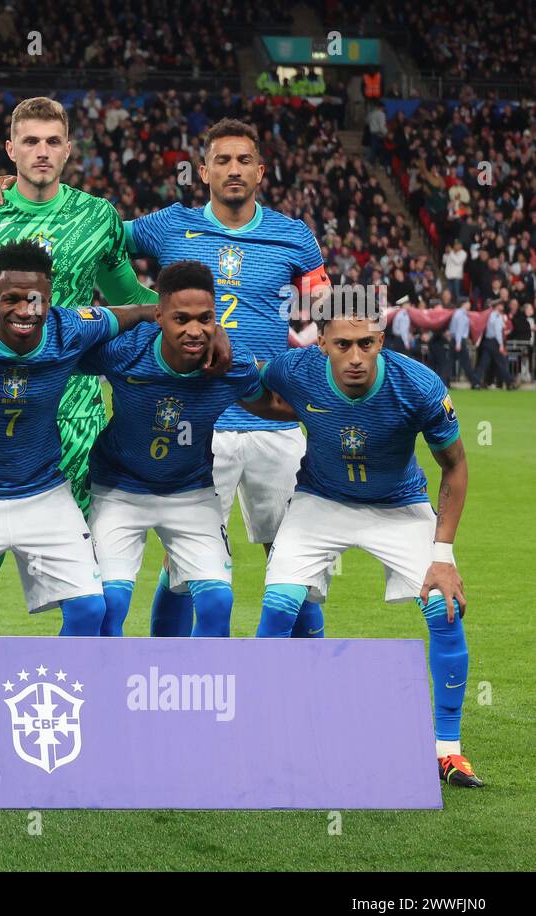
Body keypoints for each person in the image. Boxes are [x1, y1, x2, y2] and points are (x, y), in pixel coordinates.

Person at [0, 96, 157, 637]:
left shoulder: (98, 218)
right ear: (10, 149)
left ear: (69, 149)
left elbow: (129, 299)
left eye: (51, 142)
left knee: (87, 584)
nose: (41, 152)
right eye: (30, 141)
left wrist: (193, 319)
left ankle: (83, 696)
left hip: (76, 418)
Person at [120, 118, 332, 639]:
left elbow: (325, 314)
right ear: (204, 170)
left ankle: (305, 687)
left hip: (272, 419)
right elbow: (98, 236)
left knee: (292, 564)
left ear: (260, 171)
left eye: (243, 161)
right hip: (194, 421)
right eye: (222, 160)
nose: (233, 170)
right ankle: (167, 679)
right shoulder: (170, 225)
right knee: (183, 570)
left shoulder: (294, 236)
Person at [254, 311, 481, 788]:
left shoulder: (417, 385)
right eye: (342, 345)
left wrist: (442, 556)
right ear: (321, 344)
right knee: (278, 606)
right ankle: (266, 735)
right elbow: (249, 383)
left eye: (366, 344)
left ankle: (448, 750)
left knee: (444, 608)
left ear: (381, 340)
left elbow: (455, 466)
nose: (355, 357)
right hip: (321, 500)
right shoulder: (295, 370)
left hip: (399, 506)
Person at [80, 261, 297, 636]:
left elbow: (267, 403)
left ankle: (193, 687)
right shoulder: (124, 351)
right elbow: (56, 348)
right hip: (119, 491)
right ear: (159, 316)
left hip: (191, 493)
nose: (194, 330)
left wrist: (334, 411)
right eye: (181, 319)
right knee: (109, 602)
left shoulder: (230, 364)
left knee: (217, 602)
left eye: (205, 319)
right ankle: (105, 689)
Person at [475, 298, 516, 389]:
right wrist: (501, 345)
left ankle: (476, 382)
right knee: (501, 363)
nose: (502, 307)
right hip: (494, 342)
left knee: (483, 364)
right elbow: (498, 332)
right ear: (498, 306)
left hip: (487, 342)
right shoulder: (497, 316)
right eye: (501, 305)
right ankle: (510, 382)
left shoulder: (489, 315)